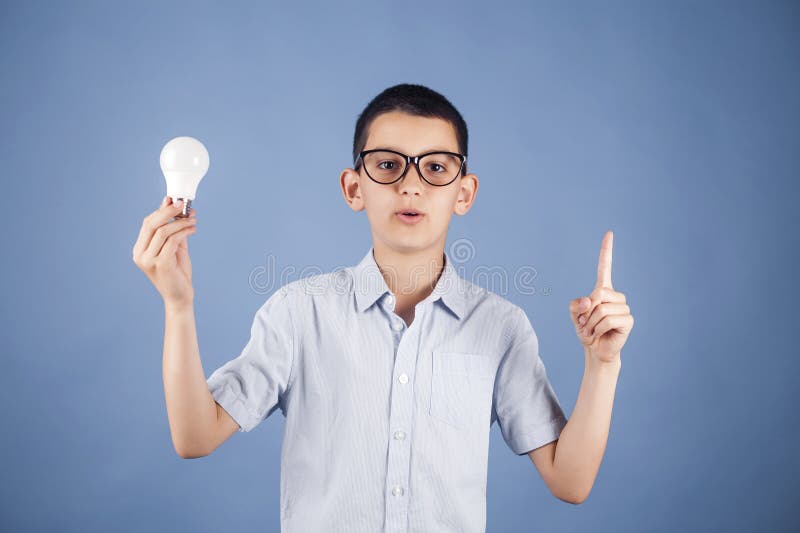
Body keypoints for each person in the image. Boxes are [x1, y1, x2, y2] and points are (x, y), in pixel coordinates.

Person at [132, 83, 634, 533]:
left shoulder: (501, 327)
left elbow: (571, 482)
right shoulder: (298, 314)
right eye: (388, 165)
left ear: (464, 193)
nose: (411, 184)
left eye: (435, 167)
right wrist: (178, 305)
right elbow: (195, 437)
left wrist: (602, 364)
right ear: (354, 188)